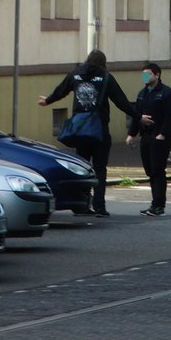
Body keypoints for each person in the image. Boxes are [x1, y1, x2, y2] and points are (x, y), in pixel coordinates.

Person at [39, 49, 136, 217]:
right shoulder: (106, 77)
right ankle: (100, 207)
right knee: (100, 169)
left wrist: (47, 101)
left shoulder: (76, 74)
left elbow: (61, 89)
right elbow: (121, 102)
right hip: (99, 131)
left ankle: (82, 205)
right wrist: (139, 117)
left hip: (80, 131)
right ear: (103, 63)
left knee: (82, 168)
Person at [126, 62, 171, 217]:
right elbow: (137, 115)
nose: (145, 77)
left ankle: (159, 205)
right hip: (146, 136)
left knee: (157, 170)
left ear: (157, 75)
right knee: (150, 170)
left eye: (148, 74)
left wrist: (163, 134)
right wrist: (131, 134)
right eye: (143, 74)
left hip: (160, 137)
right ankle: (154, 204)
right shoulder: (142, 93)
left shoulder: (166, 93)